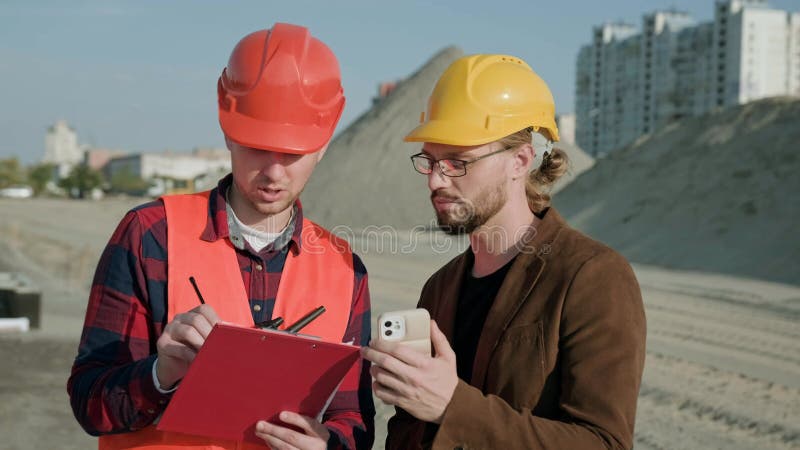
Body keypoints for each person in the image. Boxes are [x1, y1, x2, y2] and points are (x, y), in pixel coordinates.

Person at [67, 23, 375, 450]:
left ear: (324, 143)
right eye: (255, 147)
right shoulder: (150, 236)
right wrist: (162, 374)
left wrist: (328, 444)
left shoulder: (344, 271)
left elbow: (354, 418)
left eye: (292, 154)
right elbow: (90, 402)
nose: (272, 172)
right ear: (228, 129)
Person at [361, 54, 646, 449]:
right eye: (429, 161)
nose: (435, 180)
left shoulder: (592, 277)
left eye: (457, 162)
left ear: (520, 161)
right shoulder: (439, 288)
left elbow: (604, 442)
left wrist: (453, 407)